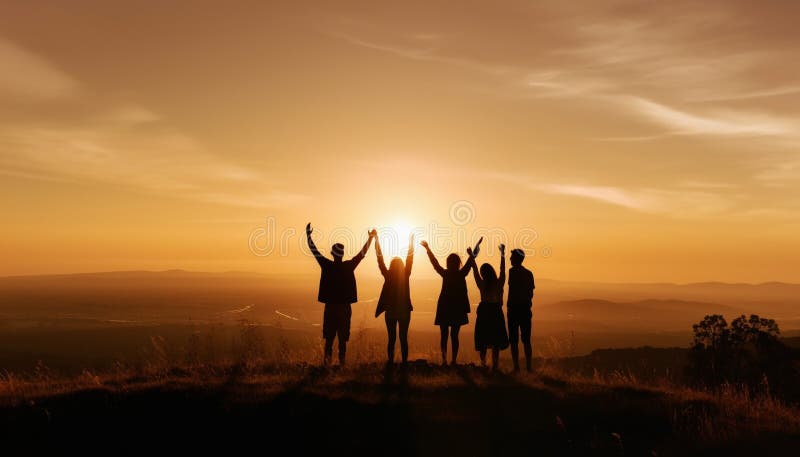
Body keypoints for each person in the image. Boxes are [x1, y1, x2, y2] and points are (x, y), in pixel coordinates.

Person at [306, 222, 375, 366]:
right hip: (344, 308)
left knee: (329, 340)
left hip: (331, 307)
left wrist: (308, 236)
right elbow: (362, 254)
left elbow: (314, 251)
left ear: (332, 253)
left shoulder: (327, 265)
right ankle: (342, 365)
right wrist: (370, 238)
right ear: (342, 254)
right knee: (342, 340)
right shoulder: (348, 266)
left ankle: (327, 366)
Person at [420, 239, 479, 366]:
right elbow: (470, 261)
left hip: (444, 307)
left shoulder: (446, 273)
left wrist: (428, 249)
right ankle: (453, 361)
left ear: (448, 263)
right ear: (458, 263)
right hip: (458, 308)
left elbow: (435, 263)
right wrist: (475, 248)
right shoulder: (461, 273)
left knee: (444, 335)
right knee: (454, 335)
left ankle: (444, 360)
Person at [373, 230, 414, 365]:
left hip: (391, 311)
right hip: (404, 311)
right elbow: (409, 259)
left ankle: (391, 362)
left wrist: (376, 240)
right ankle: (404, 363)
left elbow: (380, 259)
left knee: (392, 338)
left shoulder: (388, 275)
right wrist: (411, 243)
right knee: (403, 338)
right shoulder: (405, 274)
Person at [471, 244, 510, 371]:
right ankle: (495, 366)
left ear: (483, 274)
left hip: (484, 312)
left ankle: (483, 364)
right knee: (496, 340)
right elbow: (502, 271)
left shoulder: (482, 284)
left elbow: (475, 271)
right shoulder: (499, 283)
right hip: (495, 311)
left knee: (483, 338)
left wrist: (472, 256)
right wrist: (502, 254)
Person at [507, 248, 535, 372]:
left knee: (514, 340)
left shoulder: (512, 272)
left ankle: (516, 367)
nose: (510, 259)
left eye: (512, 257)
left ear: (516, 259)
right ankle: (528, 367)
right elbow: (531, 293)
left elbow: (512, 290)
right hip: (525, 309)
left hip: (514, 309)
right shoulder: (529, 273)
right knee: (526, 340)